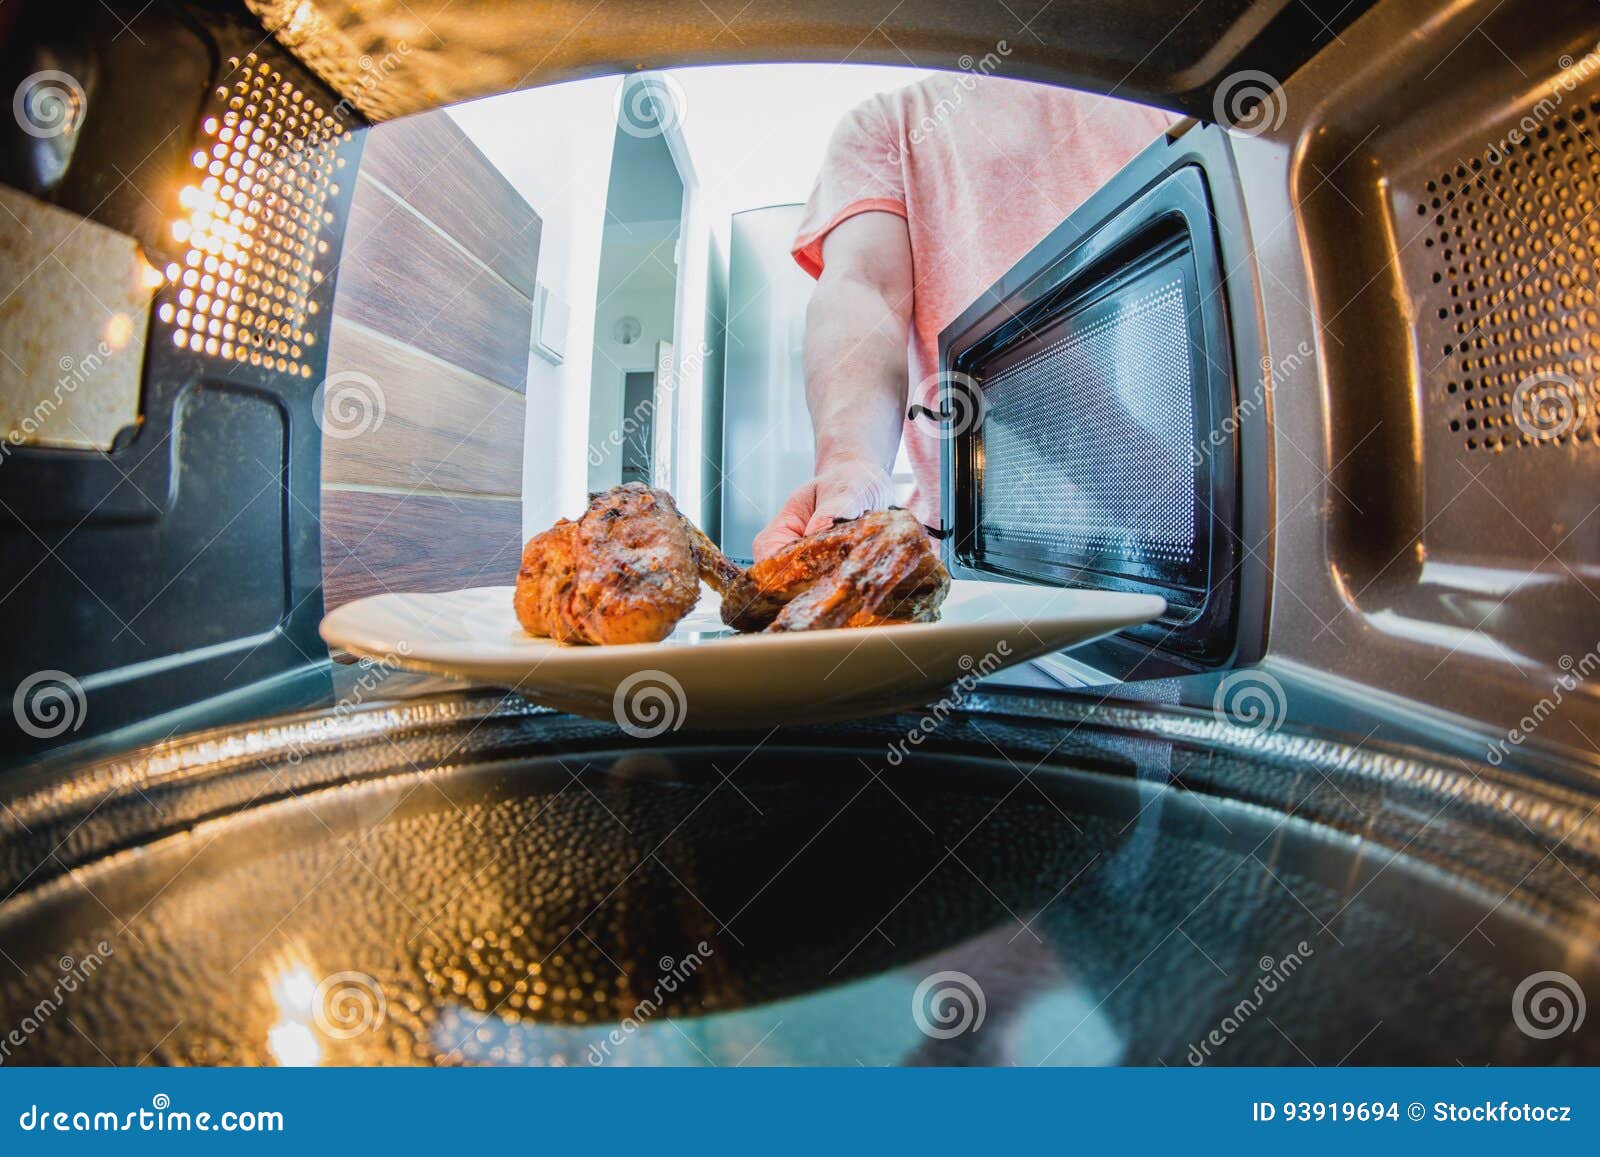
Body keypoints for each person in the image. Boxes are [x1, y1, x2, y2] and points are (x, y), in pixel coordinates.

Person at [753, 72, 1176, 559]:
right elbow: (865, 287)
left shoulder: (1170, 93)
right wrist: (851, 465)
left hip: (1174, 531)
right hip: (968, 554)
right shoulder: (890, 124)